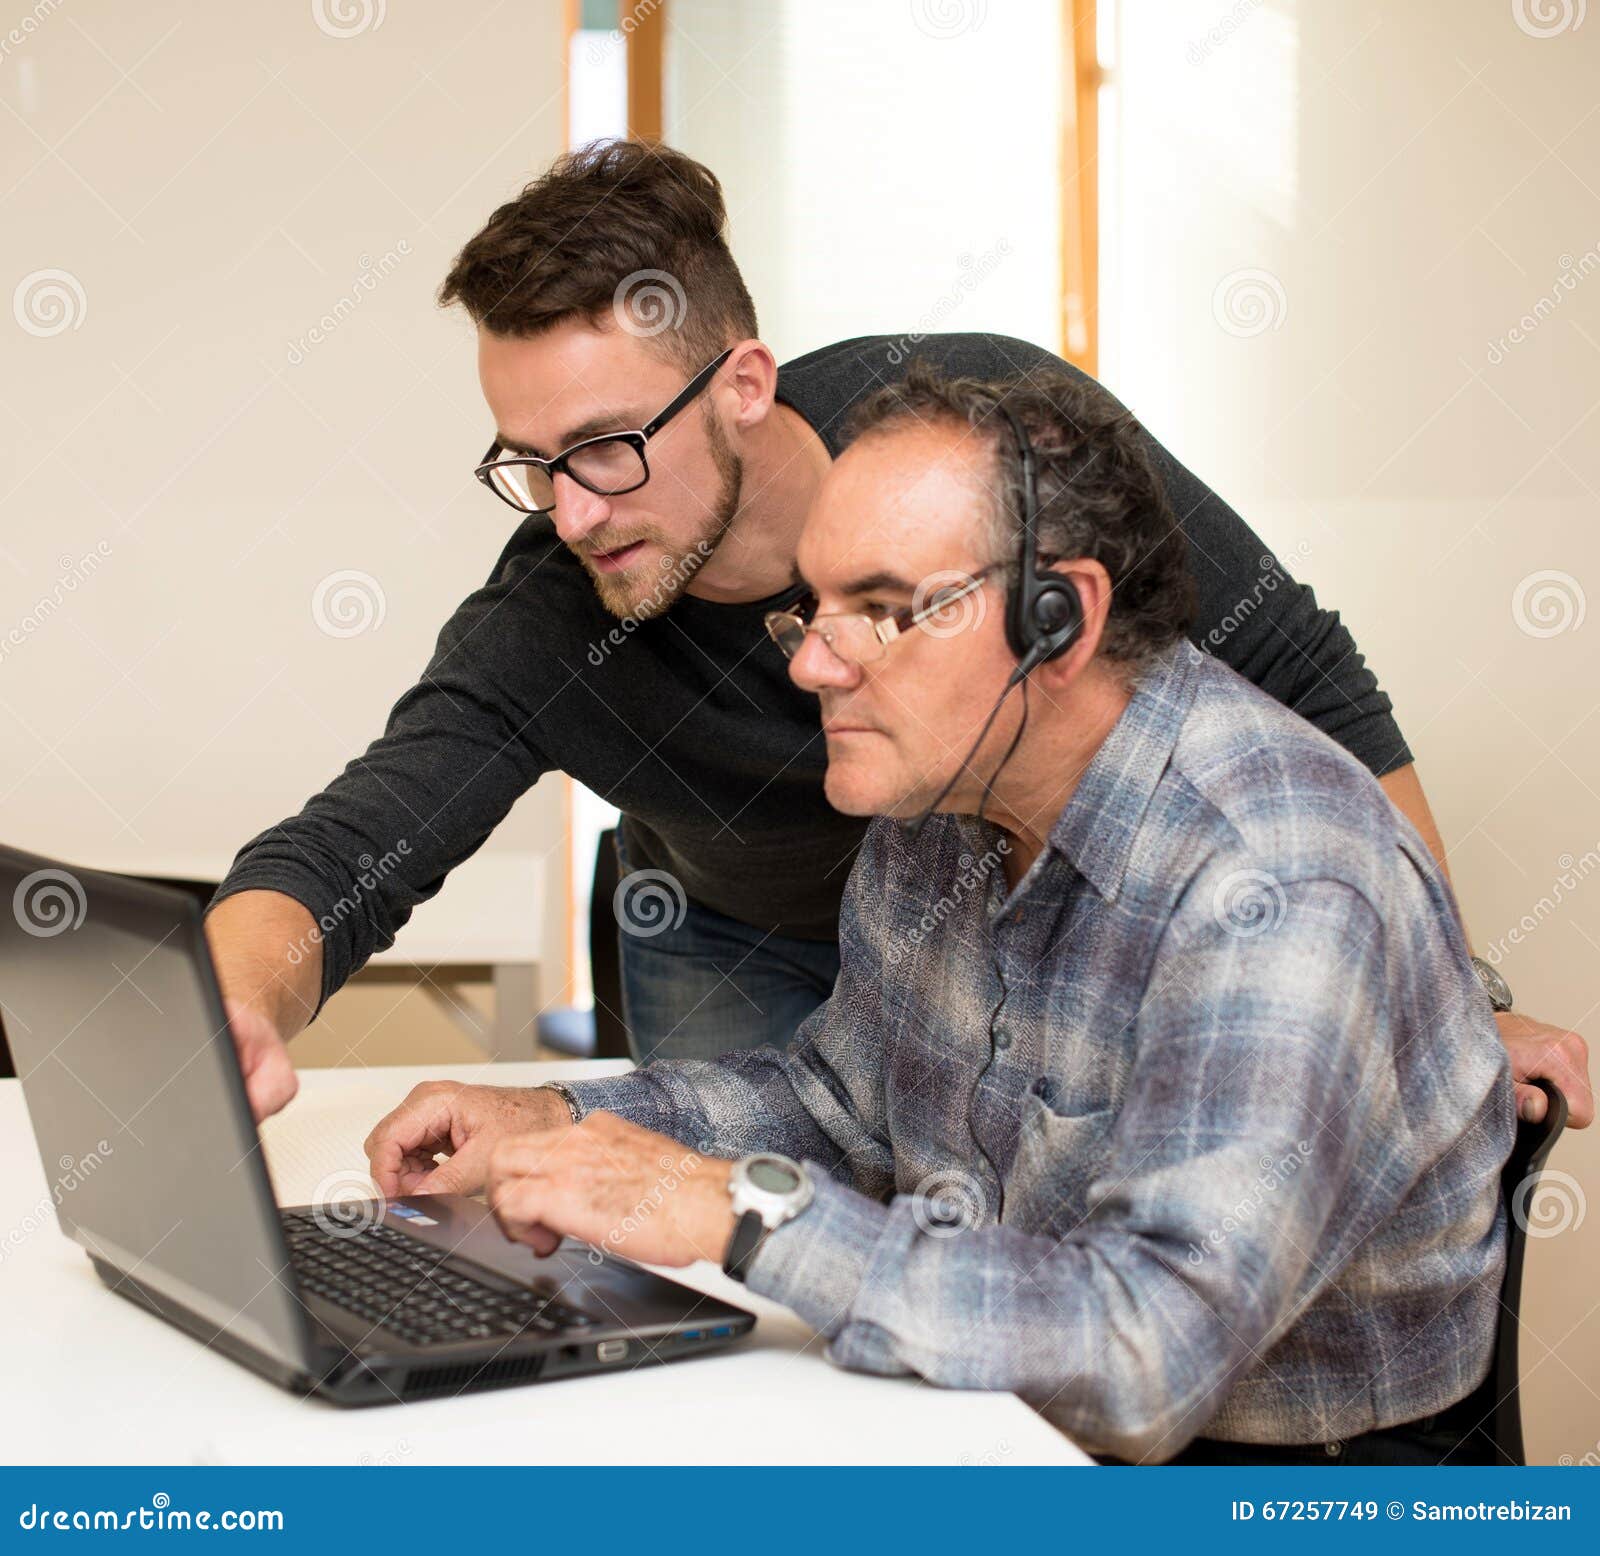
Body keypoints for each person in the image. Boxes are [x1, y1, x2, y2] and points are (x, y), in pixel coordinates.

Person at [202, 138, 1589, 1130]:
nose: (570, 511)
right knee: (744, 1281)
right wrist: (241, 1005)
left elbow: (1302, 674)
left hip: (977, 920)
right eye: (531, 460)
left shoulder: (984, 438)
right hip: (727, 933)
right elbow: (345, 850)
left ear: (744, 381)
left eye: (610, 446)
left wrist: (1453, 1002)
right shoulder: (553, 618)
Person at [365, 364, 1515, 1464]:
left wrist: (741, 1214)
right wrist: (554, 1122)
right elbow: (844, 1103)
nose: (812, 662)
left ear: (1059, 619)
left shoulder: (1273, 882)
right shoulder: (944, 800)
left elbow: (1148, 1353)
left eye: (875, 609)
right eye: (810, 609)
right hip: (1015, 1416)